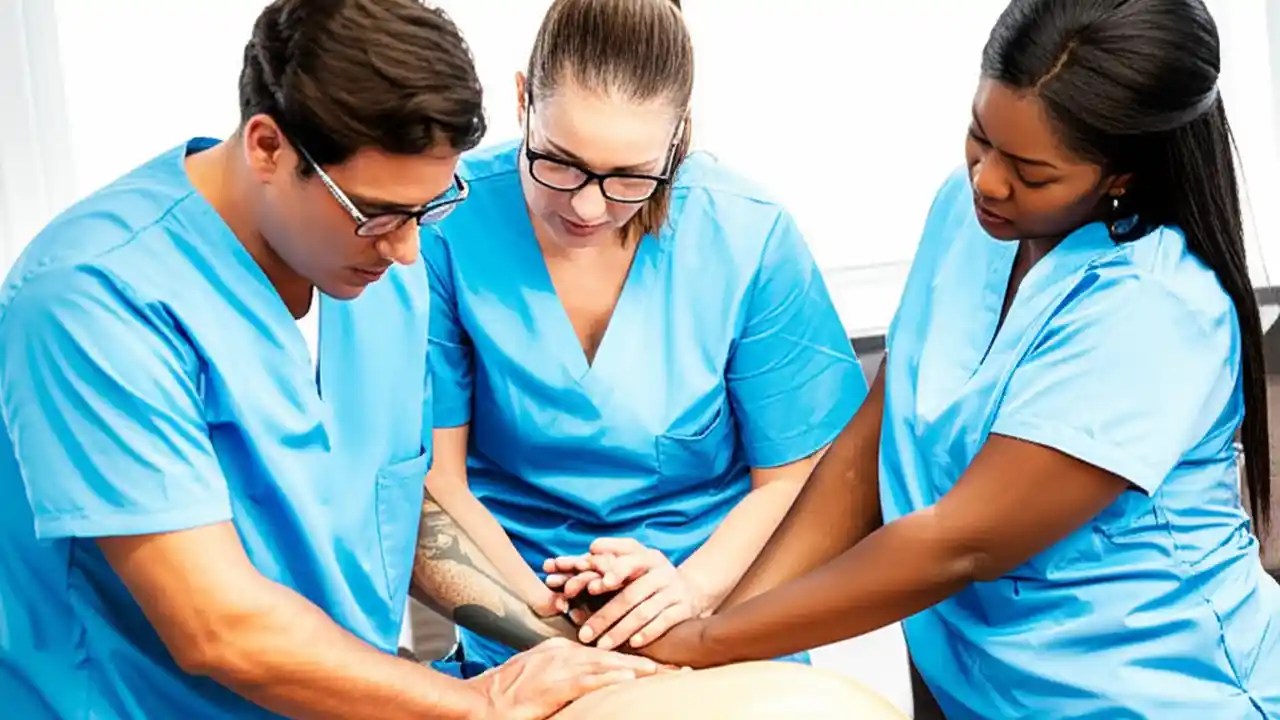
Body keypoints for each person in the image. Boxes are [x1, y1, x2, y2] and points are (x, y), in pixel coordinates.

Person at [0, 2, 661, 718]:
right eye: (377, 214)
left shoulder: (383, 271)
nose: (408, 249)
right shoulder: (92, 300)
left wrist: (571, 641)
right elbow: (215, 627)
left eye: (428, 210)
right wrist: (480, 703)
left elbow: (400, 513)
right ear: (266, 147)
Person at [629, 0, 1280, 718]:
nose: (988, 181)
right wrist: (724, 637)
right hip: (974, 682)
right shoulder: (970, 218)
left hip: (1150, 694)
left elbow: (954, 546)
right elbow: (877, 438)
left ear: (1119, 174)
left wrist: (705, 644)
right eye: (980, 137)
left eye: (1031, 173)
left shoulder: (1155, 310)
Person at [420, 0, 867, 672]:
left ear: (679, 138)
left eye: (631, 177)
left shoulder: (746, 236)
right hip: (520, 630)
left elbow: (801, 478)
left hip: (718, 626)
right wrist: (555, 639)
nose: (587, 205)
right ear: (521, 101)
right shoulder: (441, 225)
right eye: (559, 163)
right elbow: (433, 487)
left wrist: (691, 594)